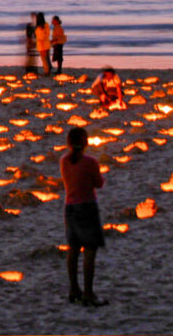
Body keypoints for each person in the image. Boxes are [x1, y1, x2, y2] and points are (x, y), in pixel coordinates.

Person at [59, 126, 108, 307]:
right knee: (89, 250)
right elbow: (98, 183)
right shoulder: (90, 162)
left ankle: (74, 289)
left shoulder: (64, 161)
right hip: (87, 207)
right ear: (86, 142)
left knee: (73, 249)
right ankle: (88, 292)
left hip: (70, 207)